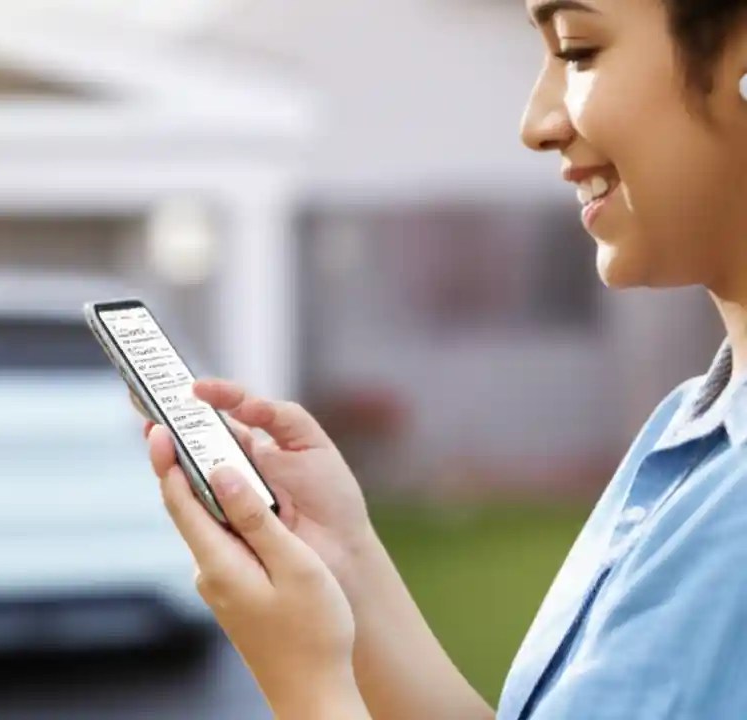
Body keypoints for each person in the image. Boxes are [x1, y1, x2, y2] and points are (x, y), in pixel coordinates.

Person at [136, 1, 747, 718]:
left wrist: (304, 680)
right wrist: (347, 565)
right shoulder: (687, 431)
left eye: (579, 51)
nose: (536, 123)